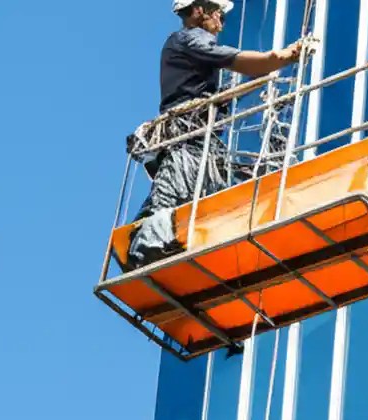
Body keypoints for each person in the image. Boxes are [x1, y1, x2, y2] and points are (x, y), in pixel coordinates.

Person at [126, 0, 309, 269]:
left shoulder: (185, 49)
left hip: (198, 137)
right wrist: (284, 57)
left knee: (189, 187)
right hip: (190, 136)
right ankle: (146, 245)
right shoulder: (190, 39)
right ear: (198, 11)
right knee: (178, 185)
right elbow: (242, 62)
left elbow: (224, 87)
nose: (221, 22)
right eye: (217, 14)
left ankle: (151, 243)